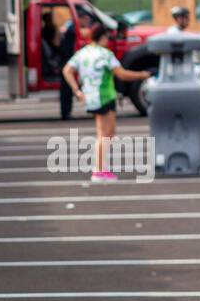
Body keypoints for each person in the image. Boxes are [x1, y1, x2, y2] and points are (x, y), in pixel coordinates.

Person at [61, 22, 152, 182]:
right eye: (107, 38)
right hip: (104, 96)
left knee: (107, 133)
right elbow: (122, 74)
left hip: (91, 96)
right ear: (102, 37)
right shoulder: (105, 54)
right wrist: (142, 75)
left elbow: (67, 70)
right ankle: (99, 170)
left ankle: (101, 168)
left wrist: (77, 90)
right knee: (104, 135)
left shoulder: (83, 53)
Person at [56, 16, 78, 120]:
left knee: (66, 90)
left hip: (65, 61)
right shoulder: (72, 28)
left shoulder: (69, 27)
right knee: (66, 90)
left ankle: (66, 112)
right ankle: (65, 113)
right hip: (66, 61)